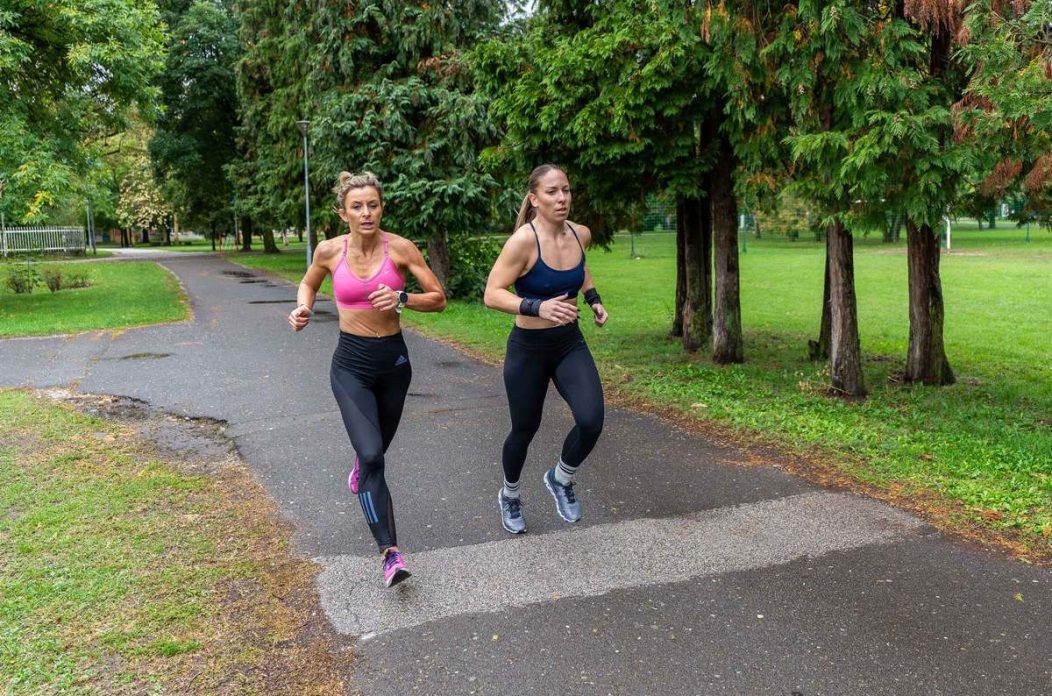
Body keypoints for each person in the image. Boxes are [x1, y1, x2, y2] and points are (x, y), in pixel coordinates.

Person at [289, 171, 446, 586]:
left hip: (394, 365)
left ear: (382, 207)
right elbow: (307, 283)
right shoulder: (328, 251)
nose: (366, 212)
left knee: (373, 453)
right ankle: (390, 553)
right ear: (344, 213)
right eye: (357, 206)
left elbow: (439, 299)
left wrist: (402, 298)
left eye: (372, 204)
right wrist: (301, 308)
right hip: (351, 366)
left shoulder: (401, 249)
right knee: (375, 456)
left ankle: (361, 465)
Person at [483, 164, 608, 535]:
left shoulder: (579, 233)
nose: (562, 198)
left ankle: (561, 478)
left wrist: (593, 299)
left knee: (591, 420)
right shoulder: (523, 241)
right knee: (525, 428)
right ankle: (510, 493)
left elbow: (580, 268)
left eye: (566, 190)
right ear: (535, 199)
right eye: (552, 192)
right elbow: (491, 293)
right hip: (529, 348)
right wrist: (538, 306)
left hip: (568, 342)